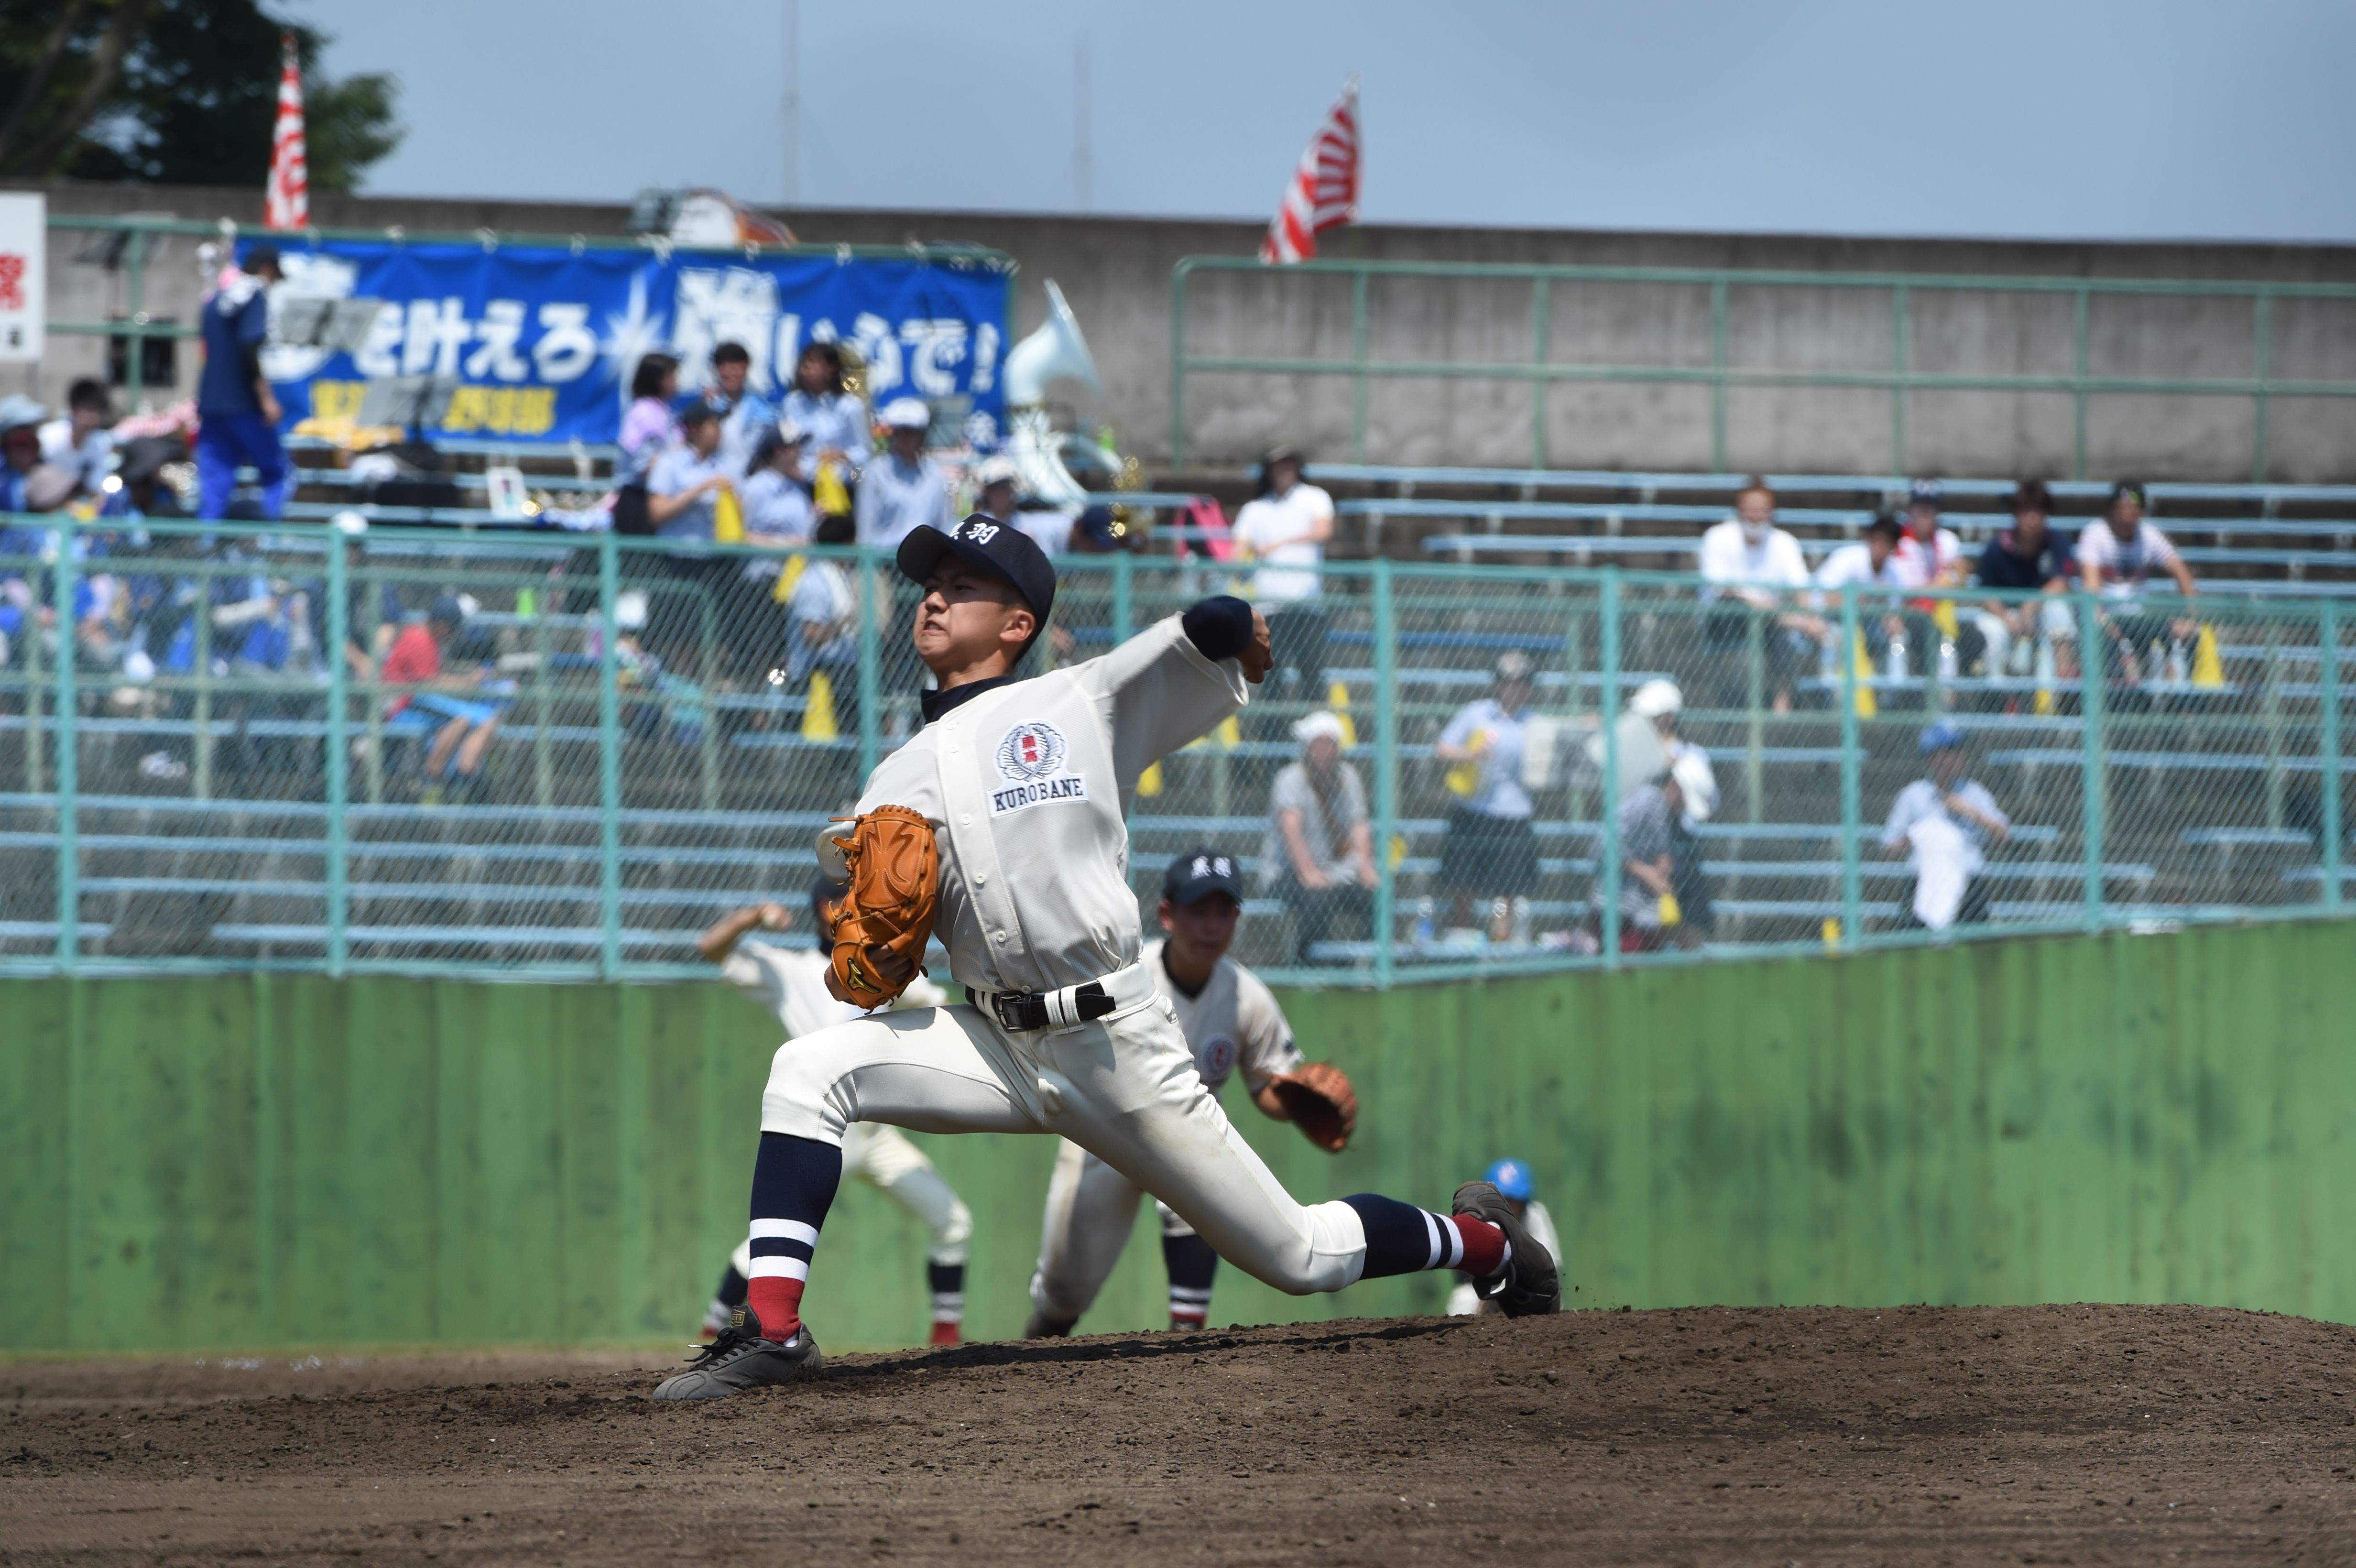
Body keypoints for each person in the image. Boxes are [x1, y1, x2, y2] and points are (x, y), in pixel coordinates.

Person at [651, 514, 1555, 1399]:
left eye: (963, 586)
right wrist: (876, 950)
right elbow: (868, 918)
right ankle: (774, 1331)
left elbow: (1209, 623)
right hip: (995, 1043)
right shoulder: (892, 780)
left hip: (1113, 1038)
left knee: (1300, 1255)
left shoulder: (1080, 700)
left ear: (1017, 625)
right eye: (930, 584)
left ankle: (1487, 1242)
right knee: (809, 1070)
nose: (934, 599)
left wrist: (1240, 626)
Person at [1026, 848, 1349, 1338]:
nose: (1211, 925)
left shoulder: (1247, 996)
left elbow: (1265, 1085)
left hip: (1182, 1136)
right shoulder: (1127, 978)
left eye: (1223, 912)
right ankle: (1032, 1356)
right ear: (1167, 915)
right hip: (1102, 1139)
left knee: (1201, 1176)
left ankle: (1187, 1342)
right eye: (1198, 910)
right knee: (1063, 1293)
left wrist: (1296, 1102)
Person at [691, 885, 972, 1347]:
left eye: (854, 901)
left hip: (876, 1135)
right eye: (835, 901)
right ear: (819, 910)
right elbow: (710, 950)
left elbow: (940, 1009)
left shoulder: (891, 970)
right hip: (822, 1130)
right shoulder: (794, 970)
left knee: (954, 1221)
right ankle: (712, 1332)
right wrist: (752, 917)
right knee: (769, 1246)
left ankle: (946, 1339)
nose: (843, 909)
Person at [1432, 651, 1541, 943]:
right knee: (1462, 885)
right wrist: (1472, 754)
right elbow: (1442, 749)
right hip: (1472, 810)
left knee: (1507, 890)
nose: (1514, 688)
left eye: (1521, 683)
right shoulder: (1476, 714)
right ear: (1497, 684)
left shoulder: (1535, 723)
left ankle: (1501, 945)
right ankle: (1463, 942)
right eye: (1507, 682)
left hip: (1513, 814)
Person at [1696, 479, 1824, 712]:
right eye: (1750, 508)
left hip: (1771, 623)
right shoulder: (1717, 538)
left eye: (1762, 509)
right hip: (1726, 619)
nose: (1756, 515)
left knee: (1782, 633)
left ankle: (1782, 702)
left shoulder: (1784, 543)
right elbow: (1725, 590)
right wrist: (1784, 614)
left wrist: (1811, 618)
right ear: (1739, 510)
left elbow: (1802, 589)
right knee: (1742, 607)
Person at [1263, 709, 1379, 963]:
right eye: (1320, 744)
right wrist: (1308, 873)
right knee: (1318, 900)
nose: (1326, 751)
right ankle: (1308, 964)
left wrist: (1367, 868)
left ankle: (1361, 964)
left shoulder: (1348, 777)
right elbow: (1291, 828)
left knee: (1377, 897)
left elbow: (1359, 825)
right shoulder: (1290, 778)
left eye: (1331, 745)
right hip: (1287, 873)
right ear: (1307, 748)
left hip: (1334, 871)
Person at [1230, 445, 1334, 722]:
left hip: (1307, 606)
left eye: (1290, 465)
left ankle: (1318, 737)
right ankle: (1272, 747)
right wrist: (1237, 565)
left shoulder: (1314, 498)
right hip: (1270, 608)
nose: (1285, 472)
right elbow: (1238, 552)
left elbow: (1324, 531)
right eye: (1279, 466)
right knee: (1271, 679)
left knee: (1312, 674)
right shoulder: (1255, 509)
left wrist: (1278, 544)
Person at [1881, 721, 2011, 930]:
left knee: (1973, 947)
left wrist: (1971, 812)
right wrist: (1914, 837)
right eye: (1950, 751)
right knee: (1917, 948)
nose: (1958, 757)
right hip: (1925, 881)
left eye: (1959, 751)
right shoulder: (1914, 796)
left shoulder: (1974, 793)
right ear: (1932, 758)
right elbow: (1889, 846)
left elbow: (2004, 834)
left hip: (1968, 881)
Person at [195, 245, 288, 522]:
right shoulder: (254, 293)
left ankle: (208, 548)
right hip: (245, 404)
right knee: (276, 473)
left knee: (214, 482)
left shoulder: (217, 298)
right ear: (267, 270)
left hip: (211, 403)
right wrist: (266, 398)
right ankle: (268, 543)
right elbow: (250, 343)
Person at [379, 595, 501, 804]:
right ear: (442, 626)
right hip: (404, 705)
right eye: (451, 629)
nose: (453, 635)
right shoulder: (419, 639)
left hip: (418, 701)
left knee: (480, 719)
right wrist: (467, 682)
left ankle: (461, 778)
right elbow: (429, 685)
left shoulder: (425, 638)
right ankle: (437, 780)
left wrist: (468, 681)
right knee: (468, 719)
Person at [2077, 480, 2199, 684]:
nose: (2127, 515)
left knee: (2187, 637)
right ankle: (2116, 701)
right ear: (2111, 510)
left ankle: (2180, 704)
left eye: (2133, 509)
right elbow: (2091, 589)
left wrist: (2190, 618)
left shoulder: (2149, 536)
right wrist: (2104, 622)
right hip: (2108, 618)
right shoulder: (2095, 535)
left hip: (2141, 618)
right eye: (2121, 508)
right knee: (2103, 643)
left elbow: (2182, 573)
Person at [1627, 679, 1717, 937]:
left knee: (1690, 928)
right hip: (1645, 851)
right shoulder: (1634, 754)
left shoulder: (1692, 755)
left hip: (1680, 850)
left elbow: (1709, 802)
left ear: (1668, 718)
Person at [1970, 480, 2077, 679]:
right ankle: (1998, 698)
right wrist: (2007, 618)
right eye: (2026, 511)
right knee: (1994, 634)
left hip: (2039, 610)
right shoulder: (1996, 548)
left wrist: (2031, 606)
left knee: (2059, 612)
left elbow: (2062, 583)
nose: (2032, 518)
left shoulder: (2057, 542)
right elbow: (1985, 594)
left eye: (2039, 511)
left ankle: (2065, 689)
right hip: (2004, 615)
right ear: (2015, 514)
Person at [1446, 1161, 1562, 1316]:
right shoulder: (1477, 1218)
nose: (1509, 1205)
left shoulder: (1535, 1214)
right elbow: (1465, 1271)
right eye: (1504, 1199)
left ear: (1524, 1201)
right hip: (1484, 1288)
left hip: (1525, 1288)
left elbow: (1549, 1265)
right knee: (1464, 1298)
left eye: (1515, 1200)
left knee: (1551, 1297)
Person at [1813, 514, 1920, 672]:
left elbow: (1893, 614)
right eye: (1878, 539)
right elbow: (1823, 599)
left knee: (1899, 639)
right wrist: (1857, 600)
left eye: (1888, 541)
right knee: (1833, 639)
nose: (1881, 546)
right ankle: (1832, 692)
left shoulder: (1894, 572)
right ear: (1868, 539)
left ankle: (1892, 689)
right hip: (1833, 621)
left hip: (1871, 626)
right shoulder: (1846, 559)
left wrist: (1893, 622)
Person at [854, 398, 953, 551]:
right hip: (885, 561)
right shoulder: (877, 473)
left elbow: (944, 525)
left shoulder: (935, 475)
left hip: (926, 561)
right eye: (901, 431)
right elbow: (866, 529)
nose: (906, 437)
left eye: (912, 431)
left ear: (922, 435)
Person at [1615, 766, 1690, 953]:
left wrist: (1663, 865)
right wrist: (1648, 874)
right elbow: (1606, 847)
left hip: (1642, 915)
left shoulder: (1661, 809)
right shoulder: (1647, 801)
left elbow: (1660, 853)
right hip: (1622, 912)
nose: (1685, 807)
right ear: (1674, 787)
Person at [779, 341, 870, 486]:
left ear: (831, 370)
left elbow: (864, 452)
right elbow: (786, 442)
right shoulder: (792, 403)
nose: (806, 367)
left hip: (840, 486)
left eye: (813, 362)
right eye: (804, 362)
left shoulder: (850, 406)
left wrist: (843, 455)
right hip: (801, 483)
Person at [645, 402, 733, 543]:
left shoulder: (724, 466)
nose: (719, 432)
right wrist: (699, 490)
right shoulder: (669, 463)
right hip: (676, 557)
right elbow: (656, 514)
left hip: (713, 559)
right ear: (694, 428)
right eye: (713, 426)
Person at [700, 341, 776, 478]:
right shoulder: (707, 404)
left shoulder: (761, 408)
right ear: (717, 370)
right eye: (724, 367)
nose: (731, 373)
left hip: (749, 480)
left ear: (746, 368)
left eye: (737, 368)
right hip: (712, 480)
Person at [39, 378, 116, 497]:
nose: (94, 416)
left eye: (99, 410)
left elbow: (97, 486)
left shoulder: (101, 444)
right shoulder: (48, 437)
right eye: (89, 409)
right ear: (74, 410)